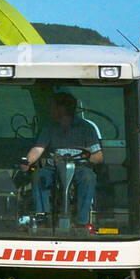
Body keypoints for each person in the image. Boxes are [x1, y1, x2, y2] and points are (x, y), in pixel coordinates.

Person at [19, 92, 103, 223]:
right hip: (54, 167)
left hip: (79, 167)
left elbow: (99, 156)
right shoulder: (49, 127)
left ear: (65, 108)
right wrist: (27, 162)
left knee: (89, 177)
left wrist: (88, 157)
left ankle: (82, 222)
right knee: (38, 176)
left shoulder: (86, 128)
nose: (51, 110)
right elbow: (38, 148)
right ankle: (42, 218)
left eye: (54, 107)